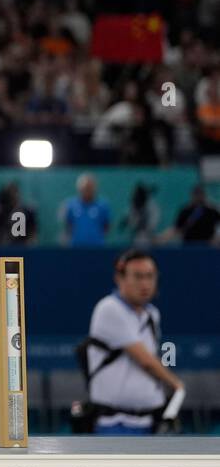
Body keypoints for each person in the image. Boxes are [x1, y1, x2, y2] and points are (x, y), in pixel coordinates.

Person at [84, 251, 182, 435]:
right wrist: (177, 385)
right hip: (115, 425)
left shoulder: (152, 314)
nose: (145, 284)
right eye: (137, 277)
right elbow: (146, 361)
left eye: (150, 276)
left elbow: (153, 359)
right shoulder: (109, 309)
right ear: (119, 279)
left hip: (148, 423)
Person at [60, 172, 111, 246]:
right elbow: (68, 226)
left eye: (90, 187)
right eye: (85, 188)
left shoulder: (103, 206)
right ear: (79, 188)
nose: (87, 190)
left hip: (97, 246)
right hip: (76, 247)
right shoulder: (71, 205)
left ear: (94, 188)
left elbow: (106, 227)